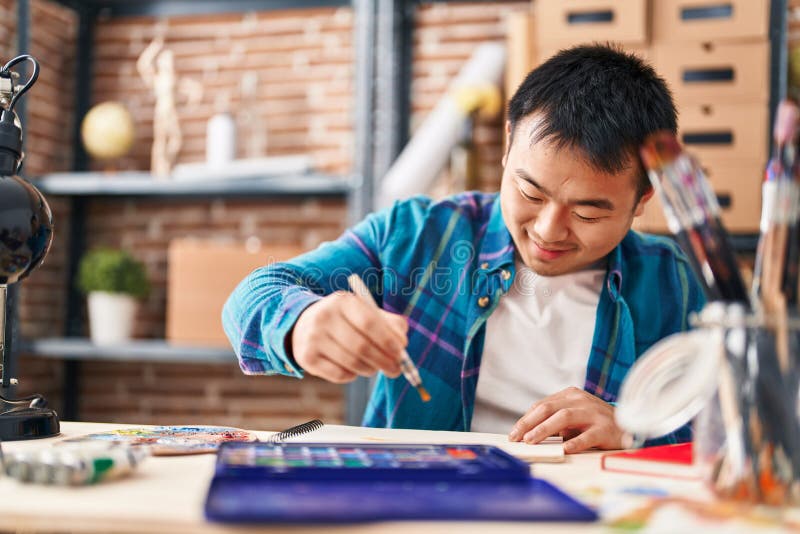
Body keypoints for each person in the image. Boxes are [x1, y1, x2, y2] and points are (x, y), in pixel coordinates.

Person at [222, 44, 705, 453]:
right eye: (530, 192)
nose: (547, 230)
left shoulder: (672, 281)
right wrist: (301, 323)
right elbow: (254, 295)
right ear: (509, 145)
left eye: (587, 213)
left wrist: (633, 428)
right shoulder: (417, 236)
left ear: (644, 196)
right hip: (419, 502)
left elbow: (723, 421)